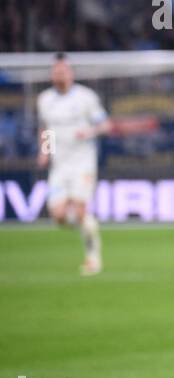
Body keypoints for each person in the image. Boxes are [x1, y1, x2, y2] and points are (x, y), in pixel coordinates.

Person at [36, 54, 110, 275]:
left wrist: (90, 131)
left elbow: (105, 125)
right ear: (52, 75)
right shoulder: (44, 100)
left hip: (82, 162)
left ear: (71, 74)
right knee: (58, 216)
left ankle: (92, 258)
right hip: (59, 165)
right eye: (56, 72)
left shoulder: (86, 97)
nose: (59, 75)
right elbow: (45, 128)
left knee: (79, 210)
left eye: (63, 71)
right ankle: (88, 223)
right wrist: (44, 152)